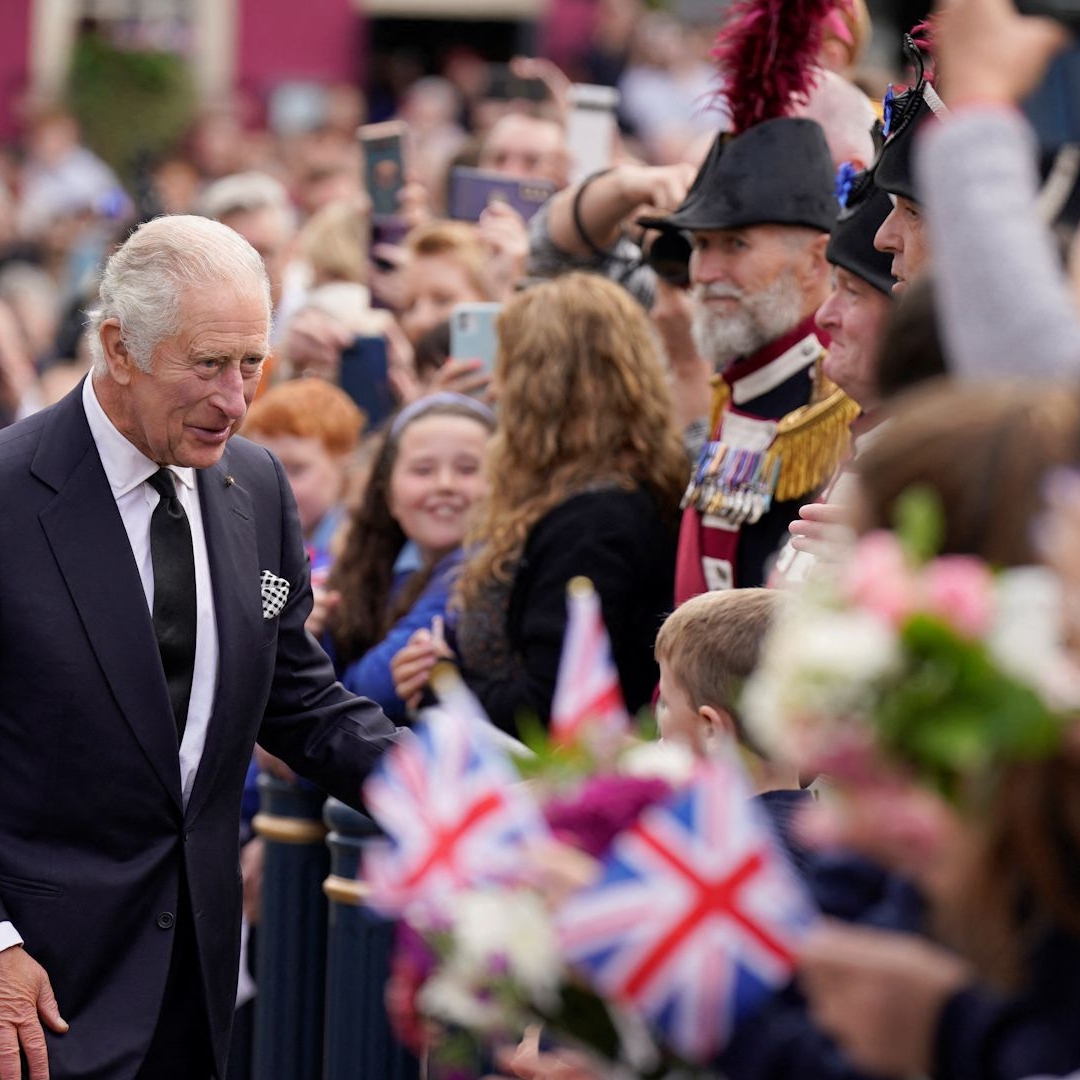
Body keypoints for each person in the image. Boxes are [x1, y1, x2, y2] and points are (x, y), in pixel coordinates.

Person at [0, 214, 402, 1080]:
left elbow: (301, 704)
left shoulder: (254, 484)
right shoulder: (6, 497)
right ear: (118, 347)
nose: (237, 398)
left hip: (197, 989)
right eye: (208, 364)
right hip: (34, 998)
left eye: (252, 362)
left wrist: (471, 798)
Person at [392, 272, 686, 734]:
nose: (497, 391)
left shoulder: (595, 522)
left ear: (541, 388)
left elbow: (552, 705)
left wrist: (441, 684)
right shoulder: (600, 493)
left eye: (507, 369)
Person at [640, 116, 858, 598]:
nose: (708, 272)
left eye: (736, 244)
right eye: (701, 245)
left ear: (813, 261)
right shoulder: (741, 380)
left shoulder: (838, 398)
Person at [326, 393, 495, 722]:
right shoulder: (368, 571)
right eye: (423, 469)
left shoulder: (480, 570)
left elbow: (371, 690)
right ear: (389, 494)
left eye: (468, 469)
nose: (445, 484)